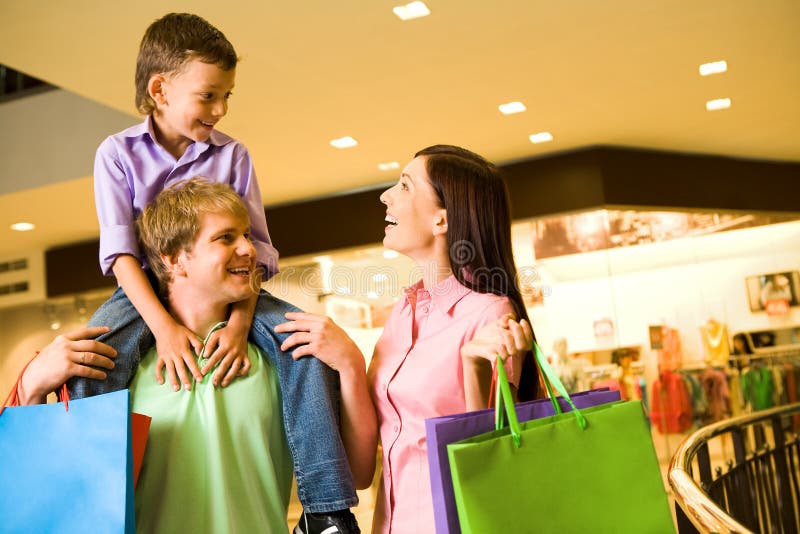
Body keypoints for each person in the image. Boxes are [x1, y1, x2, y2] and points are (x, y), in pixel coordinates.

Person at [78, 13, 358, 531]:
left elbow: (253, 253)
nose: (221, 109)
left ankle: (327, 511)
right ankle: (91, 507)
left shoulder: (234, 154)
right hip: (142, 291)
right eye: (209, 95)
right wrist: (162, 329)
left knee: (302, 348)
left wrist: (236, 324)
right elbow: (120, 254)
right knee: (92, 361)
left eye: (227, 96)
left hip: (239, 295)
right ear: (159, 89)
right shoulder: (116, 153)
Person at [16, 180, 354, 532]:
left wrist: (351, 364)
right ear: (174, 259)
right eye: (225, 238)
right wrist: (31, 387)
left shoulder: (286, 355)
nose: (249, 250)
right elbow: (52, 485)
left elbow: (355, 471)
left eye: (246, 236)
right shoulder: (111, 368)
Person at [276, 145, 539, 533]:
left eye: (404, 186)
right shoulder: (404, 310)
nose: (386, 196)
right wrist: (349, 362)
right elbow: (362, 470)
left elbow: (494, 457)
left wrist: (473, 366)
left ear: (441, 220)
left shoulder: (490, 313)